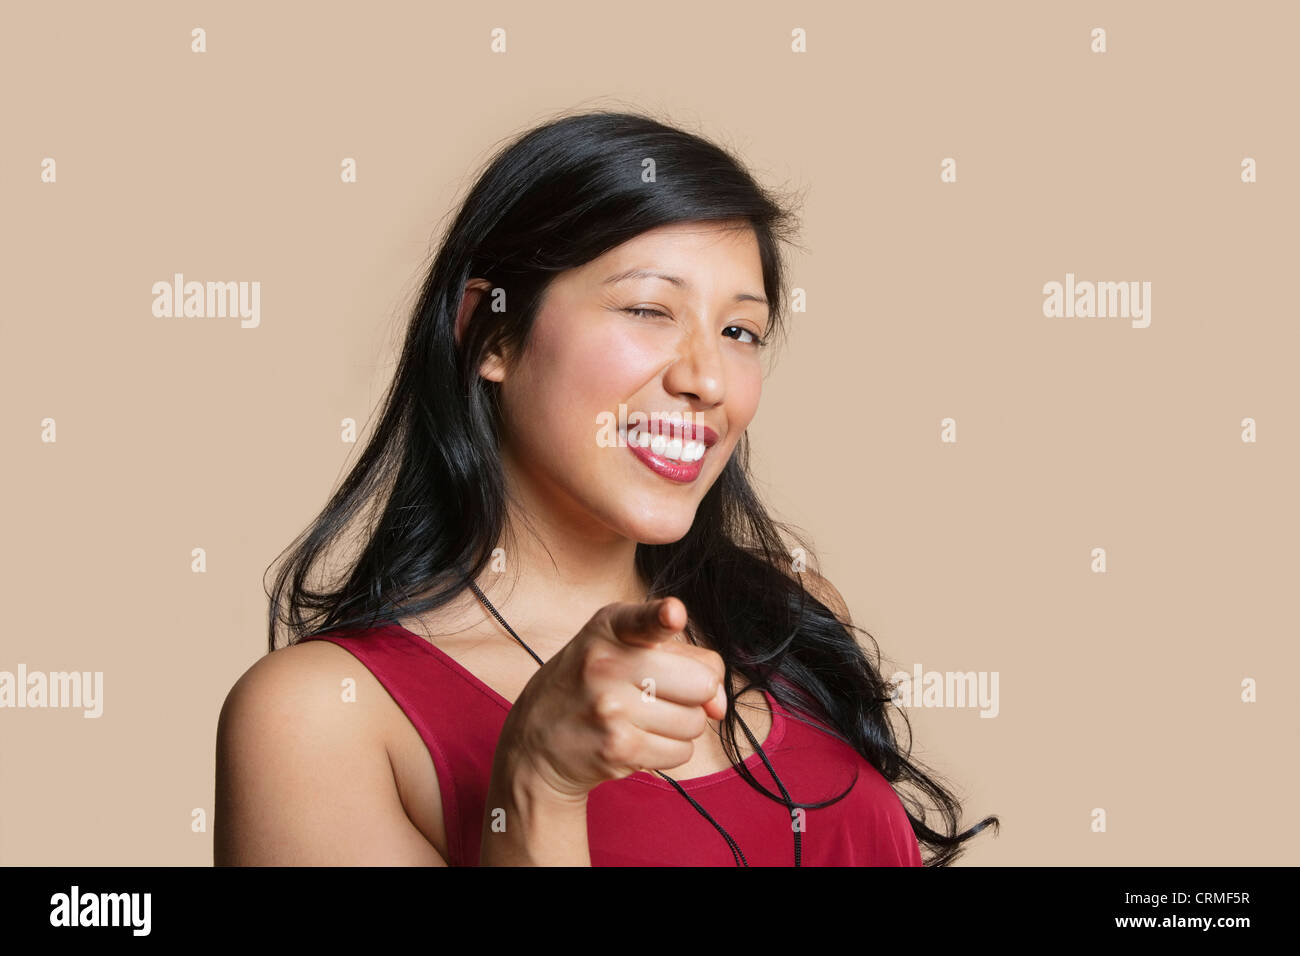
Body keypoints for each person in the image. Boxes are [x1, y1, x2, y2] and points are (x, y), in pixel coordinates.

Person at [213, 108, 998, 866]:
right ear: (491, 333)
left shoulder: (790, 620)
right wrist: (538, 783)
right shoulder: (319, 719)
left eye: (739, 332)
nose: (706, 379)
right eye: (650, 309)